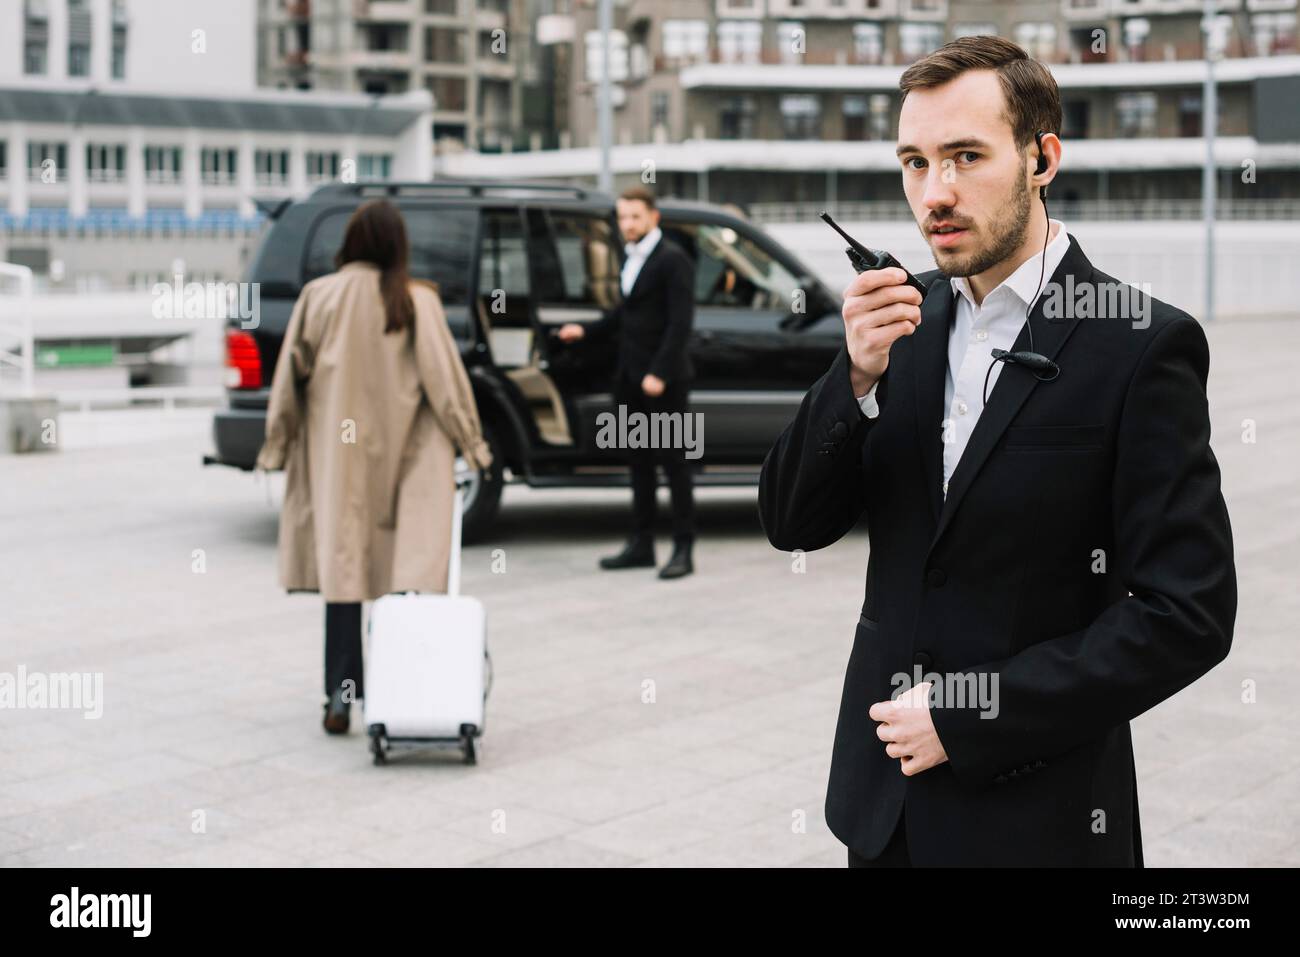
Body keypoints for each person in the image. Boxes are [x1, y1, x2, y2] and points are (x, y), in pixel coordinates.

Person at [758, 36, 1237, 866]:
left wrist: (974, 713)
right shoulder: (901, 322)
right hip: (883, 815)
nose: (933, 194)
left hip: (1041, 825)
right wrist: (855, 377)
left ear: (1041, 157)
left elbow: (1187, 613)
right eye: (914, 162)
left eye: (964, 157)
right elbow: (791, 521)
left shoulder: (1142, 345)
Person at [254, 199, 493, 734]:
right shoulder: (417, 300)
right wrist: (473, 445)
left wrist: (276, 444)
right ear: (398, 245)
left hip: (338, 463)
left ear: (352, 242)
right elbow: (445, 380)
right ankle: (393, 691)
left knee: (344, 578)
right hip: (405, 462)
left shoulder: (319, 297)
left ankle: (340, 699)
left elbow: (289, 380)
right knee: (401, 578)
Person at [556, 185, 697, 580]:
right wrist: (584, 331)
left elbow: (680, 323)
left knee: (674, 465)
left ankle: (684, 548)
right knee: (639, 465)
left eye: (635, 216)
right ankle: (642, 544)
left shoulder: (673, 259)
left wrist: (660, 373)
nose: (627, 224)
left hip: (663, 383)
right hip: (630, 380)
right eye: (622, 217)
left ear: (654, 217)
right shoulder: (629, 256)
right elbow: (626, 315)